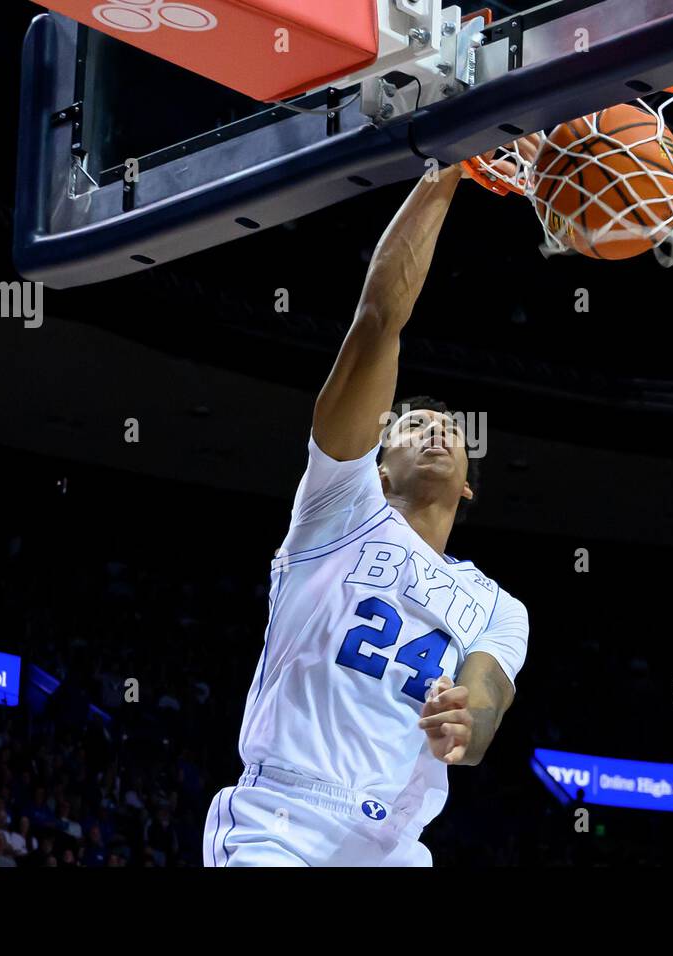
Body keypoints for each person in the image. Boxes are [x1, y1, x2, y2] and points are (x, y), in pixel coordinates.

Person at [202, 166, 529, 867]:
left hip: (390, 845)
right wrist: (451, 167)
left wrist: (463, 724)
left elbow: (486, 702)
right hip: (279, 819)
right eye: (412, 426)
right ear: (378, 466)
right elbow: (380, 318)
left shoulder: (500, 608)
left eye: (450, 428)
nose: (437, 429)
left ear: (468, 489)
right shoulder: (340, 507)